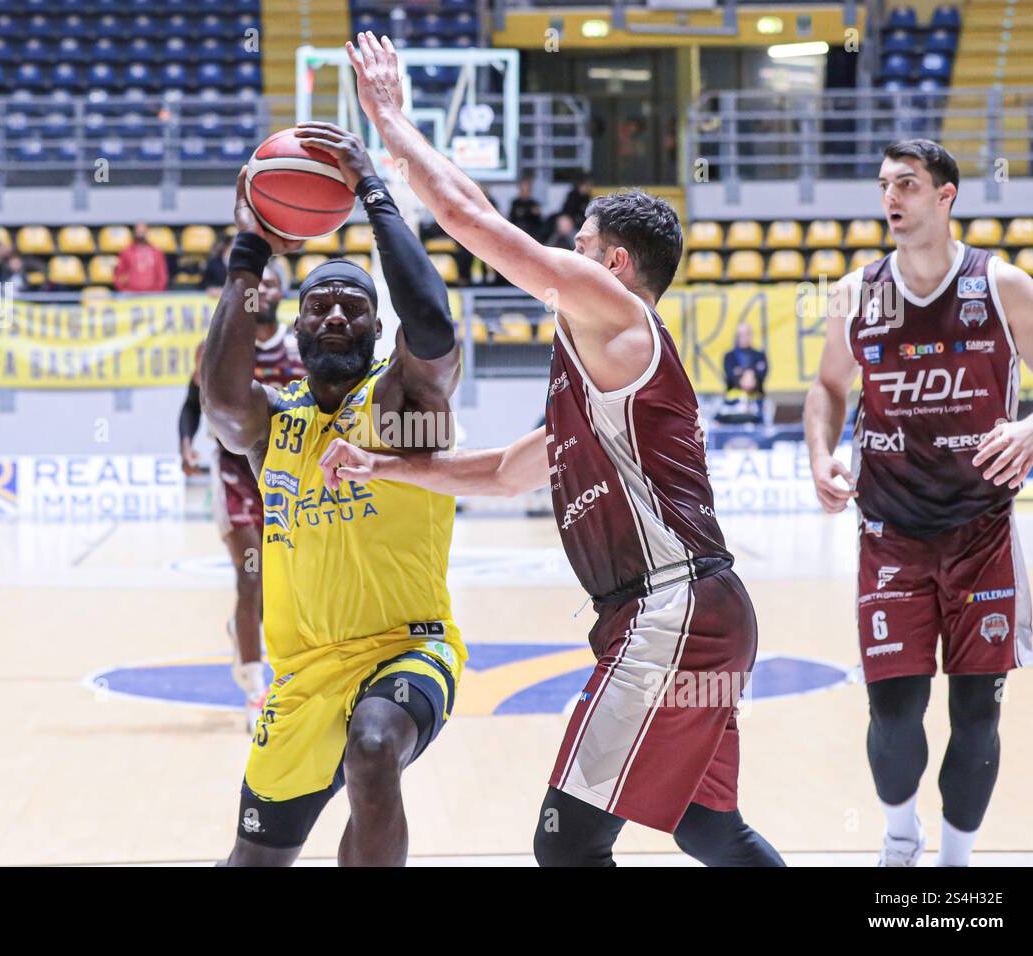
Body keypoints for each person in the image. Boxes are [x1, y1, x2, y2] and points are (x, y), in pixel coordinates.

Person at [332, 32, 784, 867]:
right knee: (706, 826)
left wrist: (392, 128)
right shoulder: (599, 385)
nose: (561, 253)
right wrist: (383, 465)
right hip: (688, 613)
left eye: (574, 243)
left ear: (613, 265)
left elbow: (472, 221)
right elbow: (506, 474)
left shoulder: (617, 313)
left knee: (566, 844)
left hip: (671, 608)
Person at [203, 121, 462, 866]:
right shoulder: (274, 422)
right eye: (321, 306)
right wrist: (250, 249)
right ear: (299, 324)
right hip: (305, 672)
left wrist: (375, 191)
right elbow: (221, 403)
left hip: (408, 648)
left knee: (375, 749)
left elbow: (435, 327)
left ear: (380, 327)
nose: (338, 314)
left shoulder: (402, 405)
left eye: (354, 305)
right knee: (253, 861)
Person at [804, 139, 1033, 867]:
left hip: (983, 530)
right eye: (884, 185)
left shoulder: (1003, 286)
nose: (891, 199)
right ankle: (898, 839)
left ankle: (955, 863)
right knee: (894, 708)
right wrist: (820, 455)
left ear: (946, 196)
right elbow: (826, 387)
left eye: (907, 185)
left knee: (976, 712)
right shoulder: (854, 293)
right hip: (889, 531)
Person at [179, 261, 304, 732]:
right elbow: (193, 403)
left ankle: (244, 632)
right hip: (234, 474)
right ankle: (256, 689)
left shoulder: (300, 349)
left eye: (273, 283)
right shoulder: (222, 351)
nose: (265, 289)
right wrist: (184, 443)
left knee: (280, 584)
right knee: (250, 574)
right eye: (259, 282)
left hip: (286, 477)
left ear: (281, 294)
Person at [716, 322, 769, 425]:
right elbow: (730, 376)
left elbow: (762, 375)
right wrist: (745, 378)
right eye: (740, 335)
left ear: (751, 335)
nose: (743, 338)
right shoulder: (729, 356)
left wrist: (749, 377)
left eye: (746, 334)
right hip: (733, 404)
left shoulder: (760, 355)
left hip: (756, 402)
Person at [114, 222, 168, 292]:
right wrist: (125, 291)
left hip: (153, 296)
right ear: (134, 232)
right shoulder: (126, 252)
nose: (141, 234)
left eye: (143, 231)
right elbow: (119, 275)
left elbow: (162, 276)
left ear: (147, 232)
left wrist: (157, 292)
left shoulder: (157, 253)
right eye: (138, 231)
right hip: (131, 296)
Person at [507, 175, 544, 240]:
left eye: (526, 190)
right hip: (518, 229)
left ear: (530, 191)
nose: (524, 192)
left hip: (532, 231)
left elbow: (538, 219)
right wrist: (530, 212)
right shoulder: (515, 202)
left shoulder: (534, 203)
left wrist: (525, 212)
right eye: (523, 190)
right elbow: (512, 217)